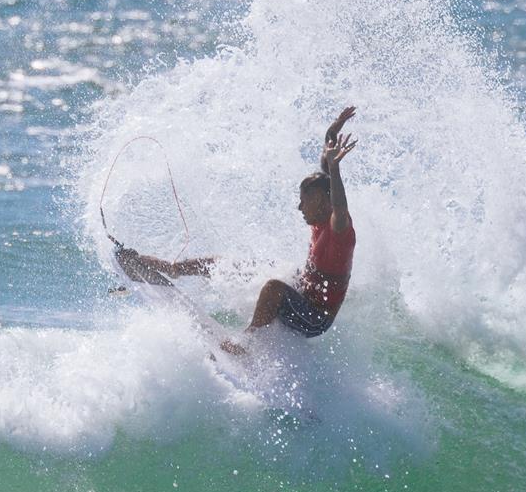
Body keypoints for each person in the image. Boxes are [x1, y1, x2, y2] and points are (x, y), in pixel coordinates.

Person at [117, 107, 358, 352]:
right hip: (302, 291)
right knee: (229, 265)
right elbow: (326, 171)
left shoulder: (338, 228)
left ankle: (247, 342)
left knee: (273, 287)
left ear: (321, 202)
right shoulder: (321, 215)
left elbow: (338, 200)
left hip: (315, 318)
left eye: (304, 201)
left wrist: (336, 169)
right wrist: (332, 131)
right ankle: (171, 268)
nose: (299, 207)